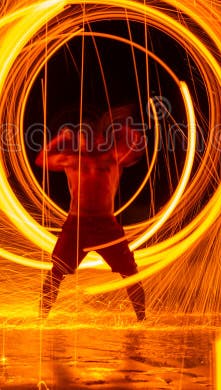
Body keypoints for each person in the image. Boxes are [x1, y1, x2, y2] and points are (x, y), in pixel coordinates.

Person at [35, 106, 147, 321]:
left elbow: (137, 147)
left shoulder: (112, 157)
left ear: (102, 137)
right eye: (83, 134)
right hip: (77, 225)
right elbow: (42, 159)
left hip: (107, 226)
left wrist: (123, 126)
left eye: (93, 135)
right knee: (56, 273)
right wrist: (62, 138)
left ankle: (142, 320)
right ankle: (41, 320)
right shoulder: (72, 159)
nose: (89, 139)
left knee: (131, 275)